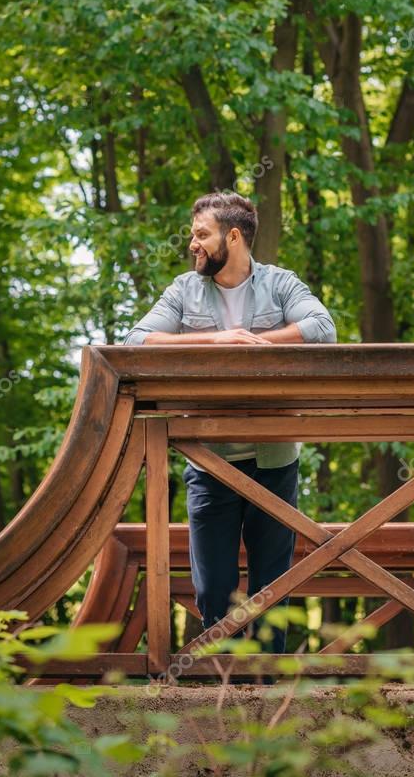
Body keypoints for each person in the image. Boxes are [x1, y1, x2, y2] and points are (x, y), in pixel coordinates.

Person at [123, 192, 337, 656]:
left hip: (274, 459)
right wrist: (217, 339)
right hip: (207, 462)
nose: (193, 244)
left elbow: (322, 327)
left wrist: (255, 342)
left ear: (233, 236)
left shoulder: (280, 284)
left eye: (202, 234)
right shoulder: (183, 290)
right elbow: (137, 338)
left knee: (271, 588)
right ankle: (220, 698)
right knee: (213, 590)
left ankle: (268, 693)